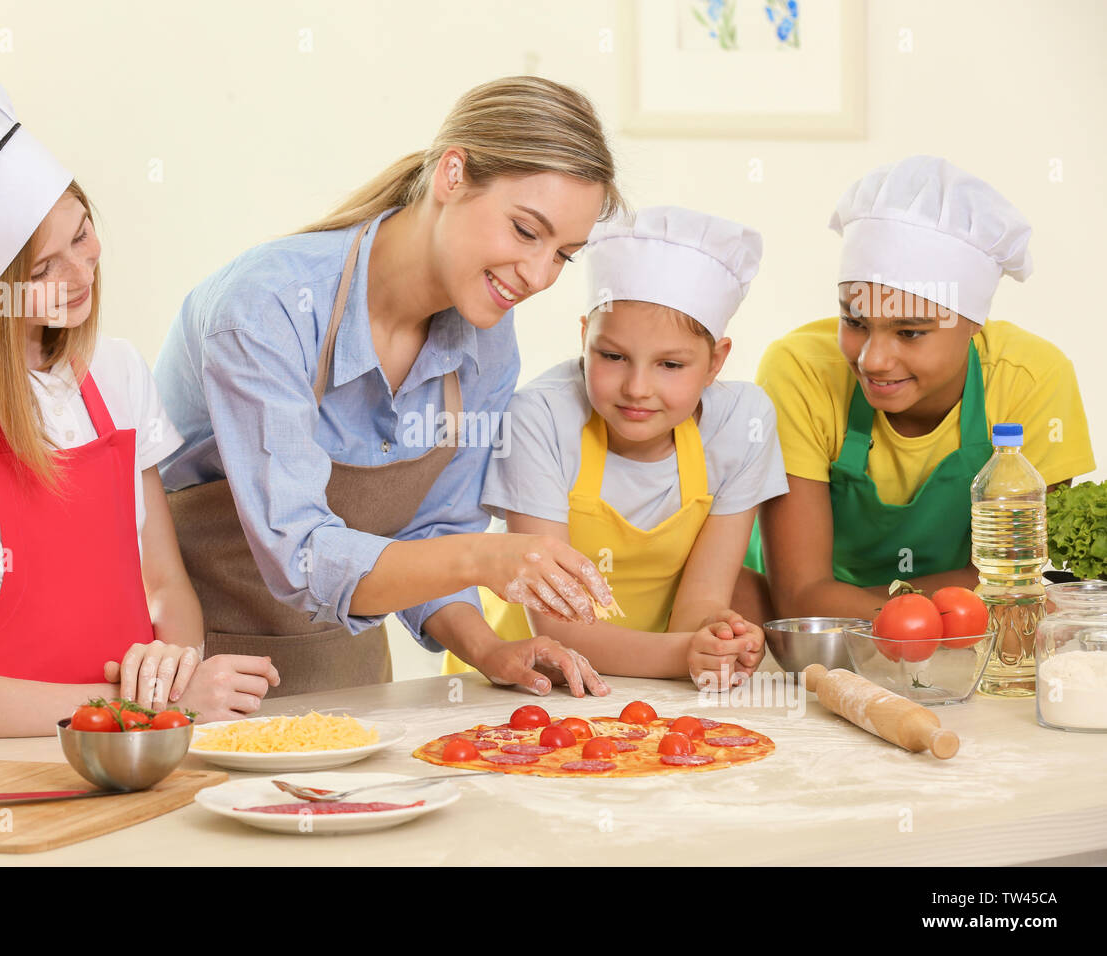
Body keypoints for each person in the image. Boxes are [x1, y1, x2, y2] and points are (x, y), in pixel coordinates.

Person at [155, 76, 625, 698]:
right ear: (452, 175)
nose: (539, 276)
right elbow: (299, 555)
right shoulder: (268, 308)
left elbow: (430, 532)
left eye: (565, 254)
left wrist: (491, 650)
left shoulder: (485, 342)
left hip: (349, 679)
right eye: (524, 231)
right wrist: (488, 560)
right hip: (194, 672)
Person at [0, 77, 278, 738]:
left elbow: (165, 587)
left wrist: (173, 667)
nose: (82, 273)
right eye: (43, 269)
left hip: (136, 762)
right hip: (4, 783)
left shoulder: (117, 375)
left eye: (82, 233)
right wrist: (149, 711)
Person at [443, 206, 787, 688]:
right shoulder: (539, 419)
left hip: (650, 684)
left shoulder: (740, 424)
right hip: (527, 683)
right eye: (613, 356)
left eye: (671, 364)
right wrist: (684, 655)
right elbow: (557, 626)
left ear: (715, 363)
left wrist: (715, 637)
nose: (637, 388)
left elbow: (701, 600)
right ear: (585, 338)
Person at [746, 155, 1096, 623]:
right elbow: (801, 600)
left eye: (909, 332)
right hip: (808, 642)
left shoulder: (1031, 379)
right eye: (854, 321)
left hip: (951, 640)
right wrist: (963, 597)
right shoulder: (798, 370)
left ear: (973, 322)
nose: (872, 360)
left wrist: (859, 606)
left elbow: (1014, 577)